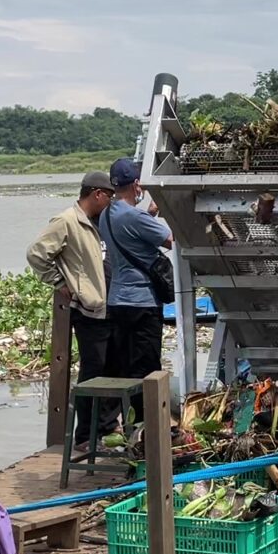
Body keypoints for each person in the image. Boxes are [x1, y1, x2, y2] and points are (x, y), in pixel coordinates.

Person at [26, 171, 114, 450]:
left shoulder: (101, 221)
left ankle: (106, 430)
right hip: (88, 308)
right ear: (97, 194)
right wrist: (59, 282)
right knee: (93, 372)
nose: (111, 201)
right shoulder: (67, 221)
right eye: (109, 196)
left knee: (110, 369)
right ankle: (85, 436)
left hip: (109, 306)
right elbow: (36, 253)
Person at [100, 158, 173, 431]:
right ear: (137, 184)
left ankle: (130, 426)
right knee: (147, 368)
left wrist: (149, 213)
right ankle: (148, 431)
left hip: (117, 300)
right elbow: (170, 240)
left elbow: (130, 230)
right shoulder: (136, 216)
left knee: (126, 366)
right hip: (142, 302)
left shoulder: (107, 215)